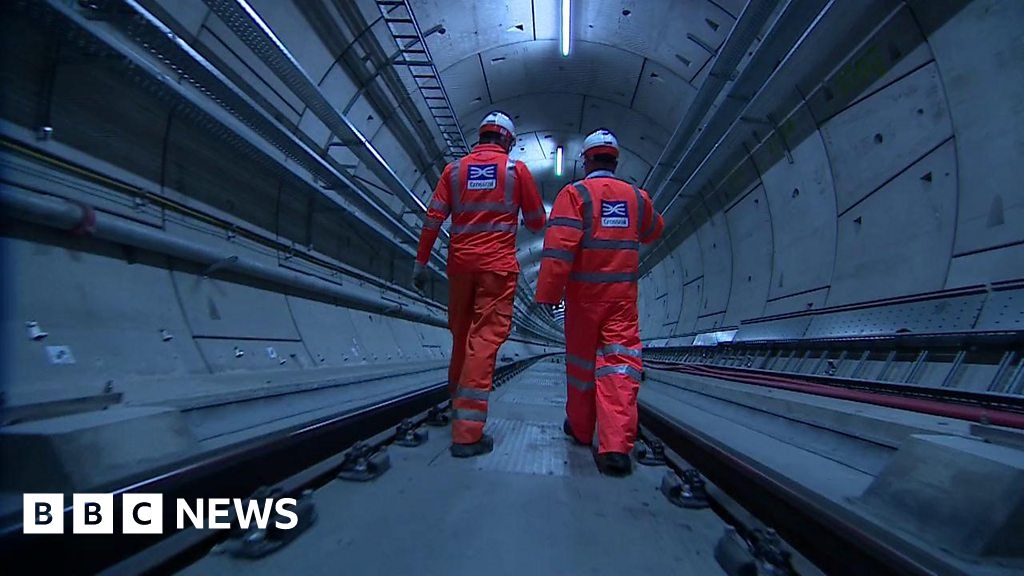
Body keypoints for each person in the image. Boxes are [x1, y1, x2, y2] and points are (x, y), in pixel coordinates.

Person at [413, 111, 546, 458]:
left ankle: (456, 407)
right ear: (507, 141)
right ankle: (467, 434)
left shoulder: (453, 172)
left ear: (481, 136)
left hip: (460, 268)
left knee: (461, 335)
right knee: (483, 341)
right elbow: (536, 222)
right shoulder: (516, 172)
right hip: (496, 269)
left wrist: (421, 260)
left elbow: (433, 218)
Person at [533, 128, 664, 476]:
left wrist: (547, 293)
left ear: (586, 160)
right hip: (621, 301)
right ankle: (615, 448)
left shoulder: (575, 194)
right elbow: (654, 230)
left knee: (581, 369)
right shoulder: (637, 197)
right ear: (616, 162)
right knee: (619, 368)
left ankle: (580, 429)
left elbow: (559, 248)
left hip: (583, 301)